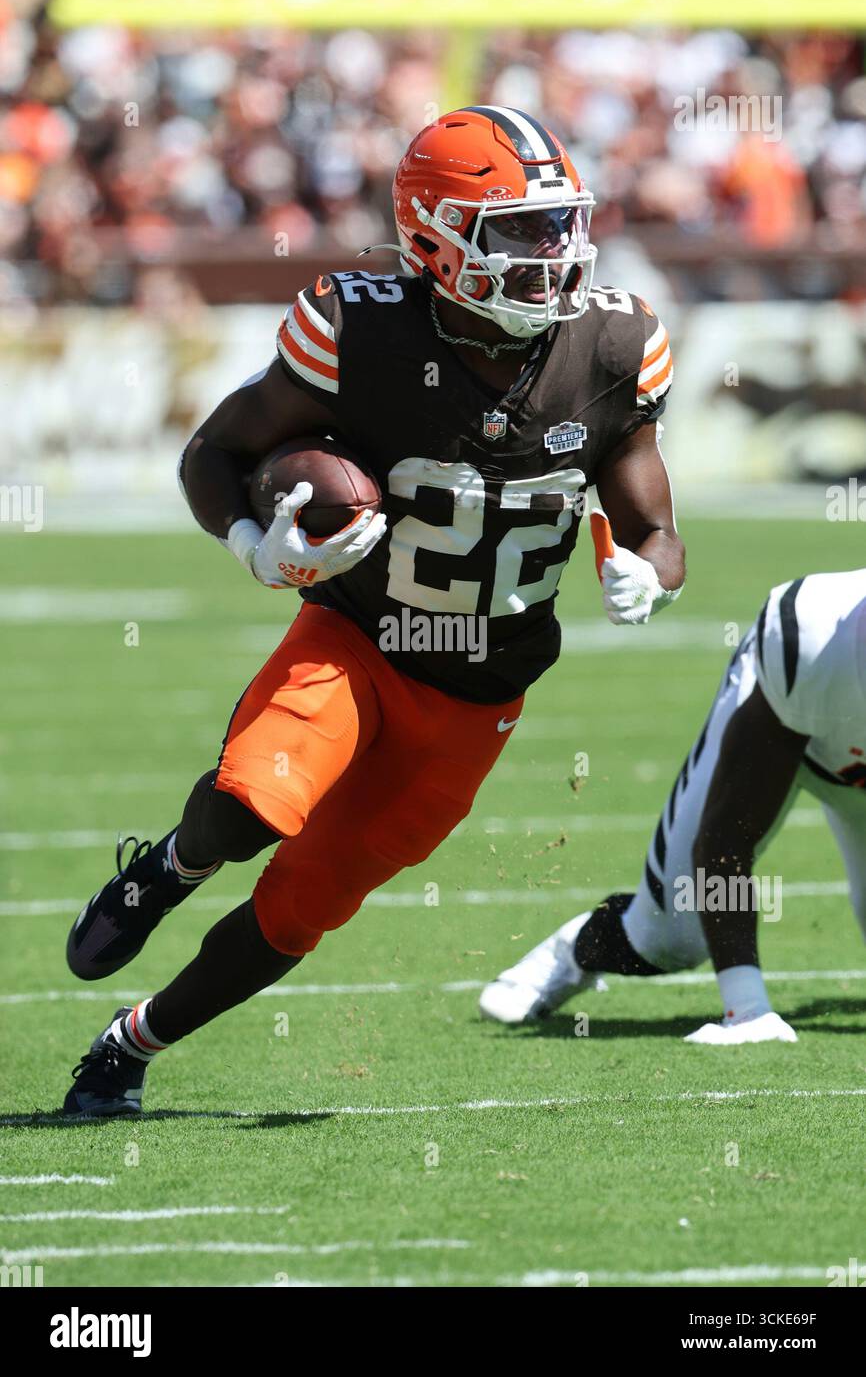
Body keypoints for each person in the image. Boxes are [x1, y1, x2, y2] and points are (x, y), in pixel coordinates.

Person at [62, 106, 684, 1116]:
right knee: (250, 804)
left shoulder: (611, 347)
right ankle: (167, 870)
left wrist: (650, 573)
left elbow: (655, 526)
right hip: (357, 635)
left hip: (480, 694)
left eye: (559, 223)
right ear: (435, 235)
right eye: (520, 230)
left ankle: (130, 1045)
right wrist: (254, 540)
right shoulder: (361, 327)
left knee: (303, 906)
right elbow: (214, 452)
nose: (553, 252)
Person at [480, 570, 866, 1044]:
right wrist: (746, 1009)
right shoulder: (810, 636)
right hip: (793, 740)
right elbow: (728, 832)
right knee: (670, 935)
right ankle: (573, 952)